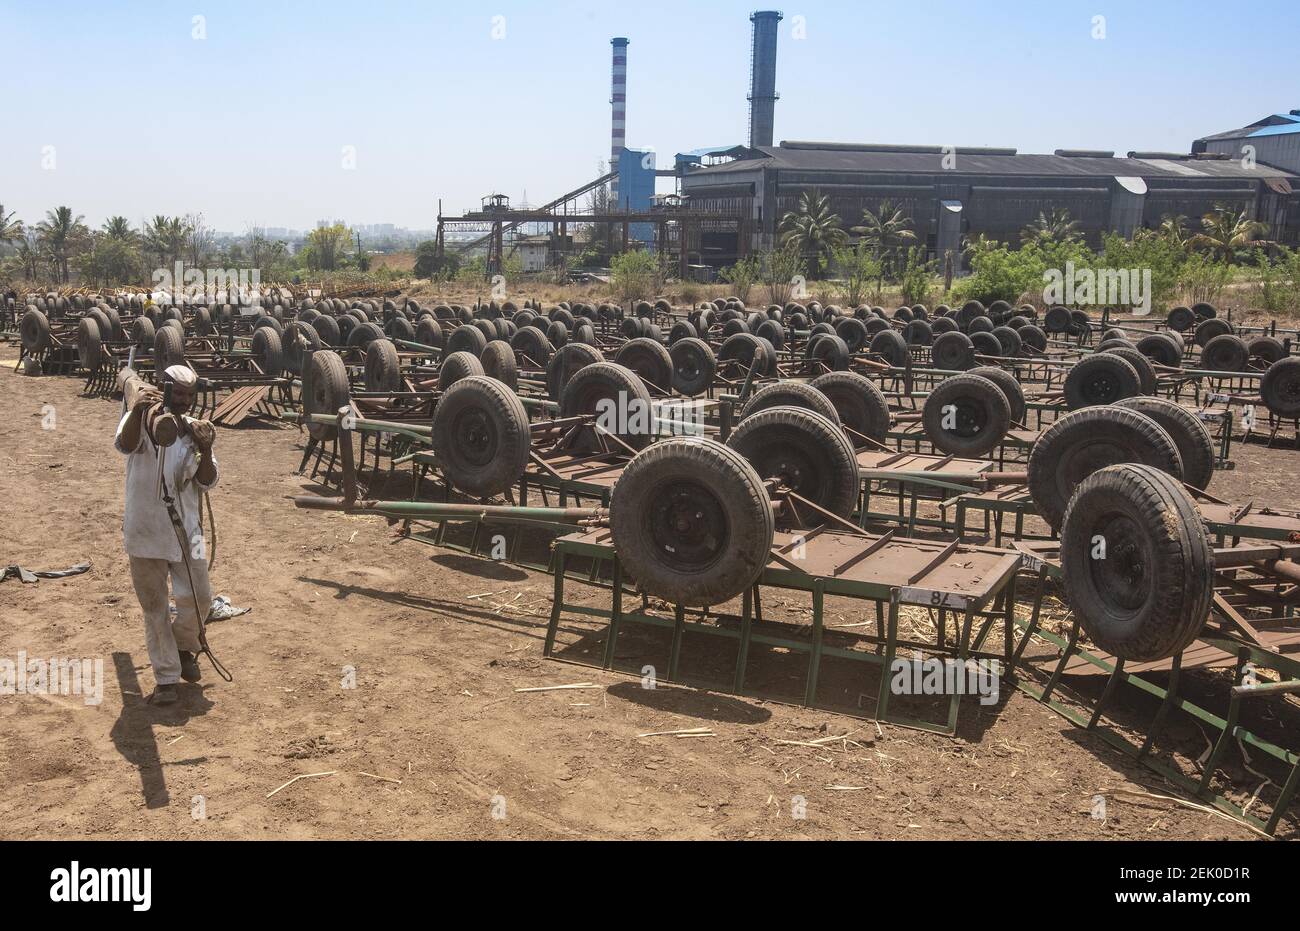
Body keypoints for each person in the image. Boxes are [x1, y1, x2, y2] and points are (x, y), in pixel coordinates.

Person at [115, 364, 220, 705]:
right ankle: (166, 679)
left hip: (187, 530)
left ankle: (184, 645)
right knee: (155, 605)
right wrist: (136, 410)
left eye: (190, 396)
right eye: (178, 394)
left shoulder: (194, 430)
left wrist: (205, 448)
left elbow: (206, 481)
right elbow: (124, 445)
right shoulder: (142, 420)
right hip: (145, 528)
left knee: (201, 597)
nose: (185, 402)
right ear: (165, 389)